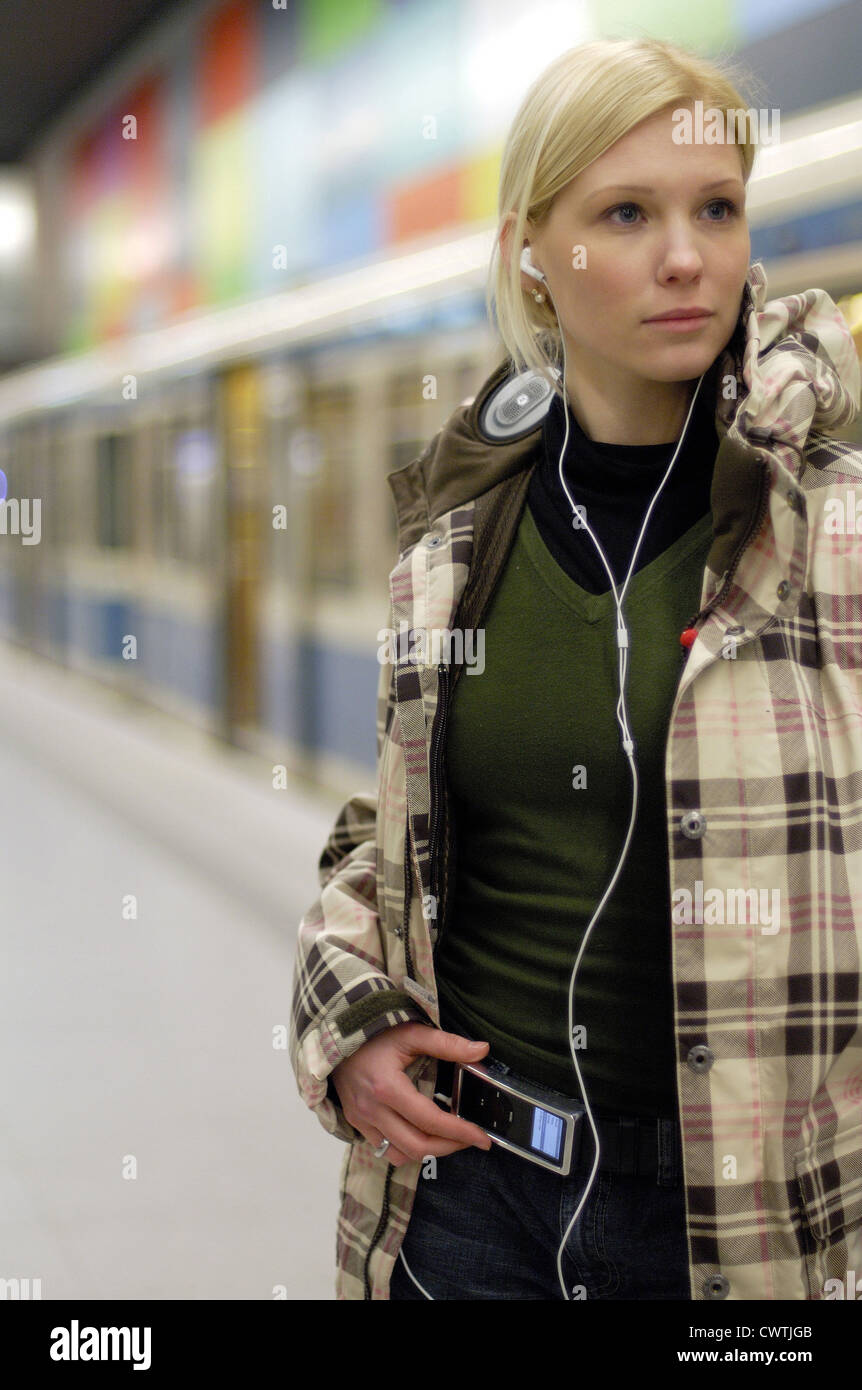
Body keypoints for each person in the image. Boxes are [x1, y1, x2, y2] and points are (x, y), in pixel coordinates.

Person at [289, 36, 862, 1301]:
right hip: (466, 1196)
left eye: (715, 208)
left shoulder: (830, 532)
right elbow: (388, 840)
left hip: (742, 1229)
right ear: (533, 258)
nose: (685, 255)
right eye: (626, 211)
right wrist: (347, 1022)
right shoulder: (453, 550)